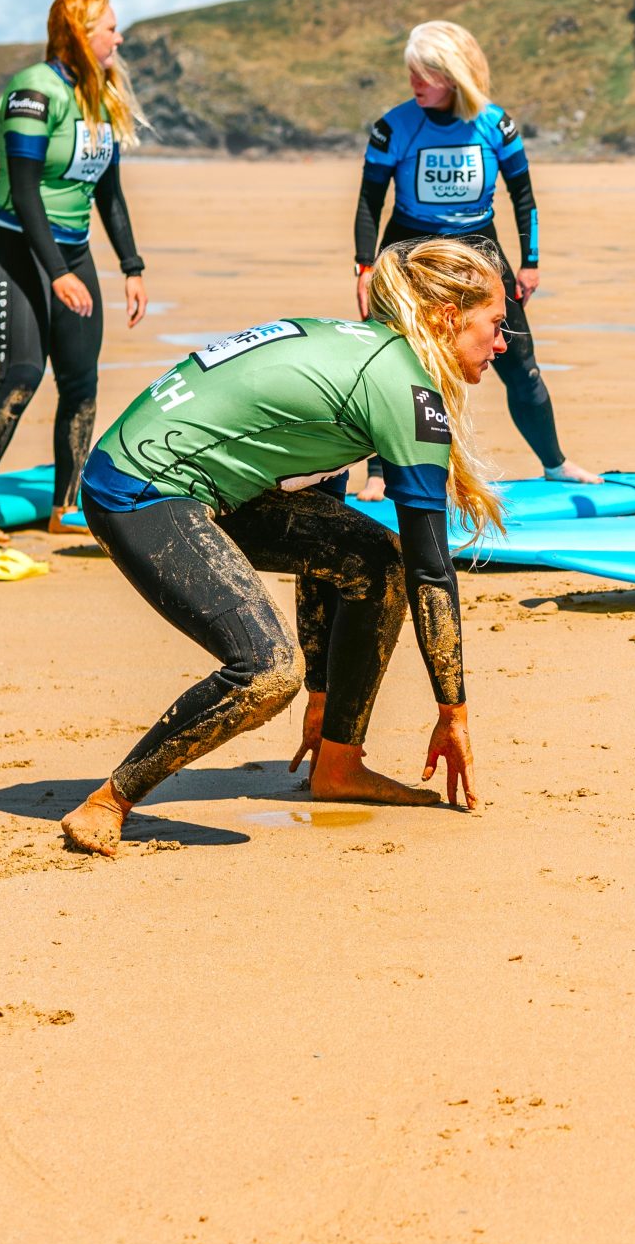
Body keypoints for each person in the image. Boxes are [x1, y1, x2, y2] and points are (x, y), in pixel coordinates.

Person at [57, 238, 504, 856]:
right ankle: (109, 801)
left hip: (203, 486)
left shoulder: (354, 350)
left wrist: (325, 697)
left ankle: (340, 766)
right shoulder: (405, 391)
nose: (502, 343)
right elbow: (433, 569)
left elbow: (327, 546)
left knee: (375, 562)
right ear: (448, 316)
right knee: (266, 672)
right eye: (496, 325)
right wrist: (452, 713)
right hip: (140, 489)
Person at [354, 20, 599, 490]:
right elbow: (370, 200)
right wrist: (365, 269)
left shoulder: (494, 124)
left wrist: (530, 262)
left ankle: (556, 464)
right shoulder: (394, 127)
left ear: (453, 74)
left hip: (479, 251)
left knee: (519, 363)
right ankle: (379, 473)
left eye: (424, 75)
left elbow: (523, 196)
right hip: (410, 256)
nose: (414, 84)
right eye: (412, 74)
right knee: (391, 363)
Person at [0, 0, 149, 544]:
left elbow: (108, 191)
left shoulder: (99, 95)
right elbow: (24, 189)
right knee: (22, 375)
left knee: (81, 379)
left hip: (73, 250)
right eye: (110, 28)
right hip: (15, 251)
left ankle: (66, 507)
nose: (119, 38)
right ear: (79, 33)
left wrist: (131, 267)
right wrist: (56, 272)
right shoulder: (34, 91)